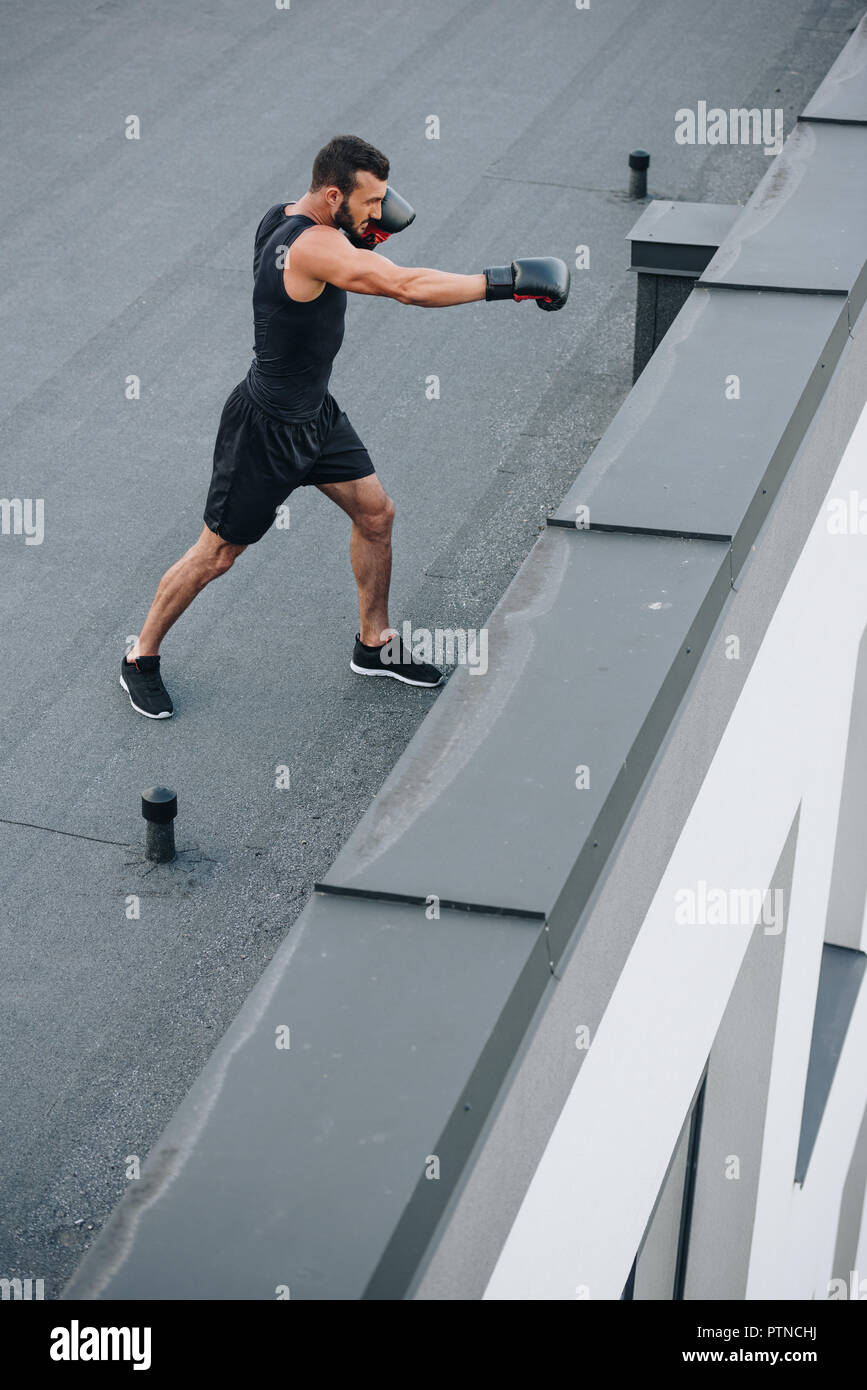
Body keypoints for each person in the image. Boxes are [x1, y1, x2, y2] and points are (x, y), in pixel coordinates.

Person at [121, 134, 570, 719]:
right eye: (370, 201)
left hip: (316, 416)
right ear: (333, 195)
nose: (380, 212)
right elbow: (404, 286)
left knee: (376, 513)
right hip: (265, 430)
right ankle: (140, 657)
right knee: (217, 554)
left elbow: (349, 238)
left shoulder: (285, 216)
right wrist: (505, 281)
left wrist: (362, 222)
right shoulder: (314, 248)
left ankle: (374, 643)